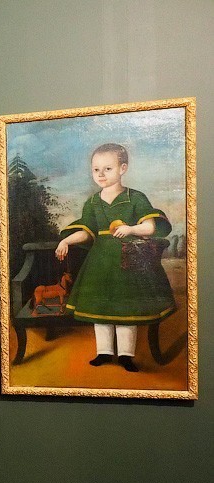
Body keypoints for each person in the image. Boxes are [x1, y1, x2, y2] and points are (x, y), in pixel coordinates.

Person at [55, 143, 175, 372]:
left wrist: (131, 229)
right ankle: (104, 351)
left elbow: (150, 227)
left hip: (128, 261)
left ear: (123, 168)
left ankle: (126, 355)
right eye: (96, 170)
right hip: (99, 262)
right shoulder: (92, 202)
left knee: (126, 308)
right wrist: (66, 241)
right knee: (100, 307)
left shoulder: (135, 197)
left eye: (107, 169)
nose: (100, 174)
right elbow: (87, 231)